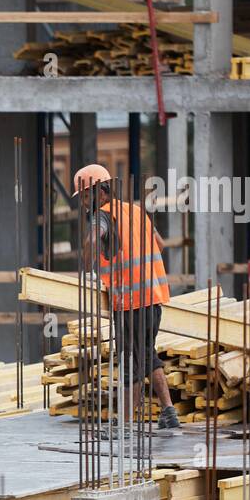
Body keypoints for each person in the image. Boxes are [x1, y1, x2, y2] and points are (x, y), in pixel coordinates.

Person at [72, 163, 180, 432]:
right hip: (153, 299)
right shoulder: (135, 211)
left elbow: (92, 241)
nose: (84, 203)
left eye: (86, 196)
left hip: (130, 302)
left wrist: (86, 265)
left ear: (101, 192)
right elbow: (161, 245)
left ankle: (125, 425)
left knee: (131, 359)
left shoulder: (102, 217)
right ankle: (169, 412)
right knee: (146, 355)